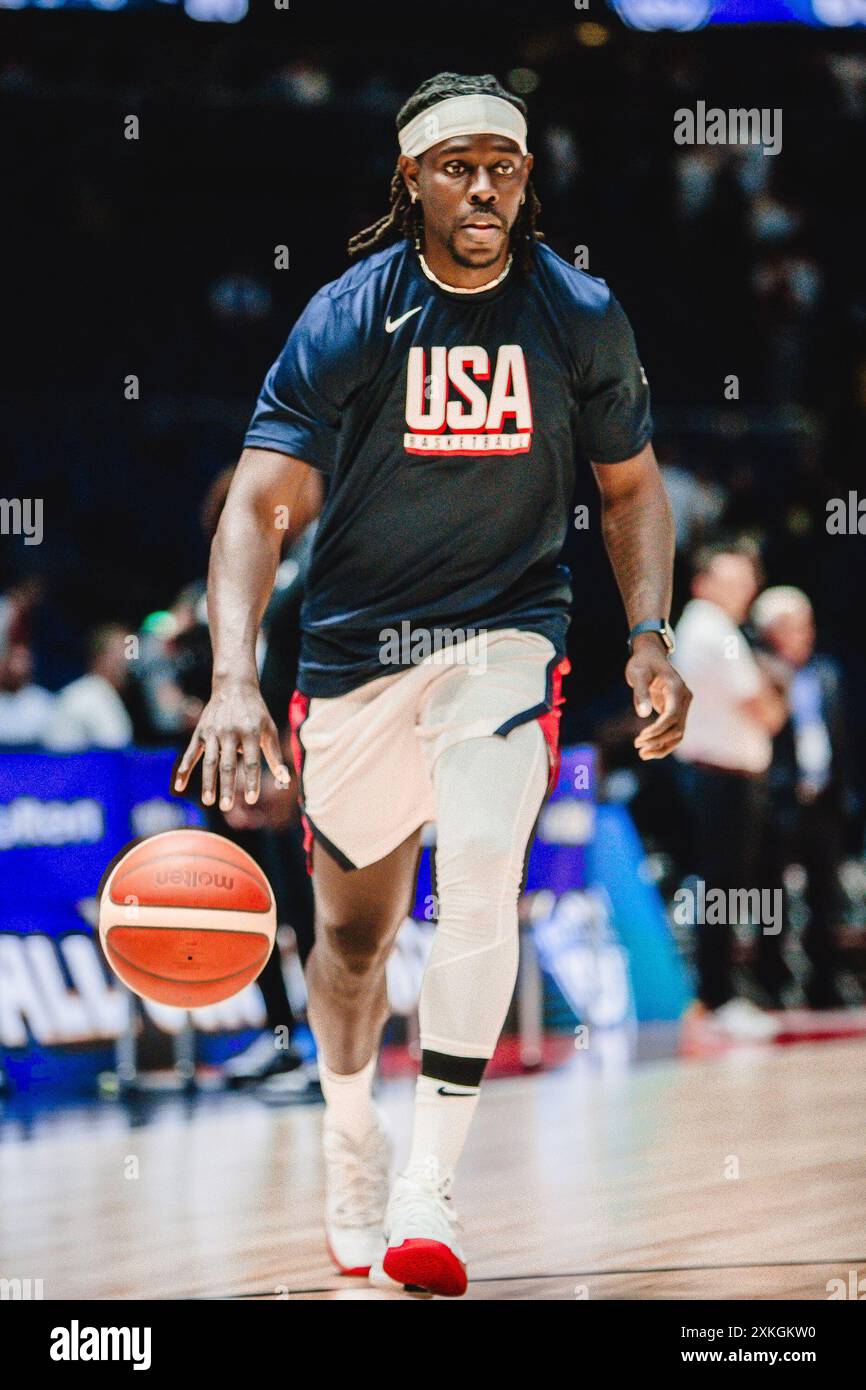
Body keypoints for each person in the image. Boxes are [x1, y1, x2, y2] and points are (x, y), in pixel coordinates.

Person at [174, 71, 690, 1297]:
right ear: (408, 179)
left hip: (505, 637)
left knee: (476, 884)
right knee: (351, 943)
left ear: (527, 182)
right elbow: (256, 502)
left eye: (501, 168)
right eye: (455, 166)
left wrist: (651, 631)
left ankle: (426, 1184)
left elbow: (630, 490)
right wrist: (234, 675)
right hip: (352, 657)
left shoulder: (577, 316)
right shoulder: (352, 315)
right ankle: (349, 1137)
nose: (482, 189)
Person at [673, 541, 787, 1038]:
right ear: (703, 582)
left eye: (747, 580)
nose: (744, 589)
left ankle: (722, 993)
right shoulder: (710, 629)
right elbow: (762, 707)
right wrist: (772, 702)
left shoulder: (716, 629)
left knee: (730, 886)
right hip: (721, 779)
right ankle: (717, 997)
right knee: (722, 888)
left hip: (728, 779)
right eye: (732, 579)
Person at [750, 586, 851, 1008]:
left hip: (824, 800)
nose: (804, 634)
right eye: (792, 627)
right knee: (770, 899)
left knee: (825, 899)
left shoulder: (826, 672)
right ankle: (769, 985)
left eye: (807, 625)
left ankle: (824, 985)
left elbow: (843, 735)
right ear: (770, 632)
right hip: (777, 801)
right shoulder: (757, 671)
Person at [43, 623, 134, 752]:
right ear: (101, 657)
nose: (128, 661)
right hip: (73, 769)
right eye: (124, 651)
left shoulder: (100, 692)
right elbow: (115, 748)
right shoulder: (88, 696)